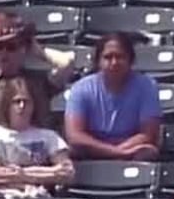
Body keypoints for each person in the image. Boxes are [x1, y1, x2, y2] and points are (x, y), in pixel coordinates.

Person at [0, 16, 75, 150]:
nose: (3, 53)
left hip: (39, 157)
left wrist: (37, 50)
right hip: (2, 161)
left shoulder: (39, 82)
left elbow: (67, 63)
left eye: (11, 47)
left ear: (24, 49)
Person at [62, 33, 162, 161]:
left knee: (149, 151)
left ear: (130, 60)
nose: (114, 62)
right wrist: (115, 152)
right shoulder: (81, 88)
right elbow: (74, 135)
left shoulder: (147, 86)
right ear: (98, 61)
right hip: (93, 149)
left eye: (120, 57)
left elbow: (148, 134)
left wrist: (119, 150)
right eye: (108, 57)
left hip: (131, 147)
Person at [0, 75, 73, 199]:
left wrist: (22, 174)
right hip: (1, 198)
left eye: (26, 101)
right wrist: (49, 173)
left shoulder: (49, 136)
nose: (21, 106)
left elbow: (67, 172)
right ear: (7, 105)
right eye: (16, 101)